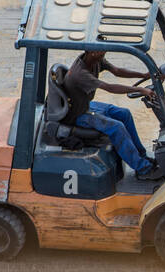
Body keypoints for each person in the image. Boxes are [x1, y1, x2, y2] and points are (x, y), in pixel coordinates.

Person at [62, 50, 159, 178]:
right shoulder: (80, 73)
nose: (104, 53)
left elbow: (117, 71)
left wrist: (144, 75)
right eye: (101, 51)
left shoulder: (96, 59)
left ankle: (141, 156)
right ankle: (144, 169)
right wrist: (140, 89)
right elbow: (109, 87)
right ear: (91, 52)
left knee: (124, 113)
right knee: (117, 127)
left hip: (85, 105)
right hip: (76, 114)